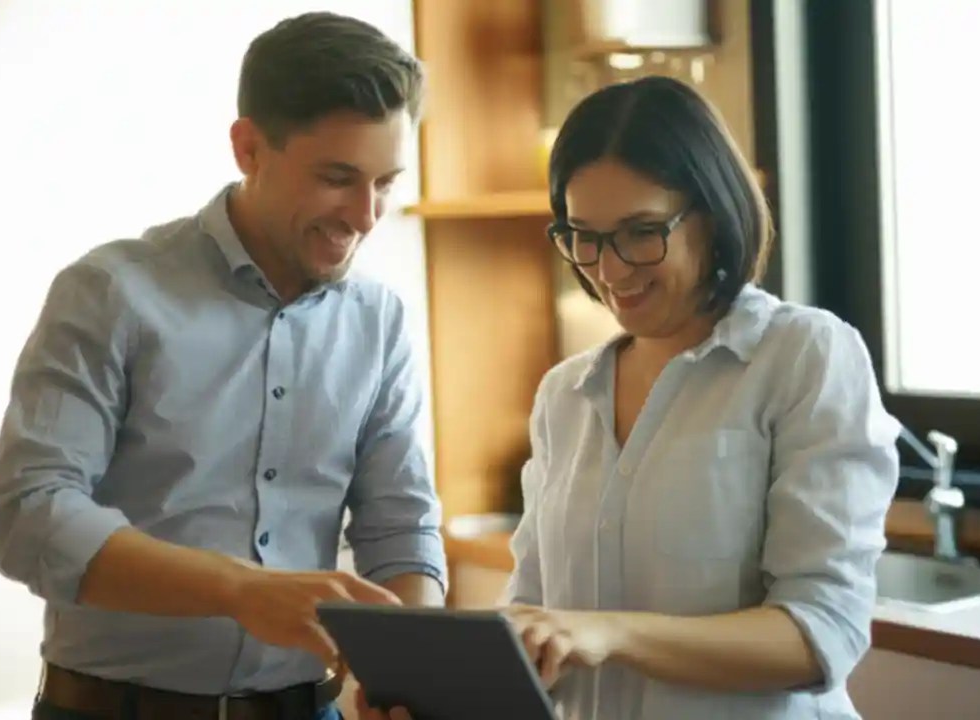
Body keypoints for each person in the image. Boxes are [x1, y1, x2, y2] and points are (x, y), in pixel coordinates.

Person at [363, 76, 901, 720]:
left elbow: (822, 633)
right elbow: (535, 626)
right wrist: (445, 695)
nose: (610, 269)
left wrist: (608, 633)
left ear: (712, 210)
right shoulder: (565, 395)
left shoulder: (802, 355)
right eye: (582, 235)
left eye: (641, 231)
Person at [0, 12, 447, 720]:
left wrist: (409, 665)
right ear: (248, 148)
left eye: (386, 181)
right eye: (337, 178)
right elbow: (27, 514)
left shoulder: (377, 322)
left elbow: (400, 527)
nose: (366, 214)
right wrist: (240, 590)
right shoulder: (112, 292)